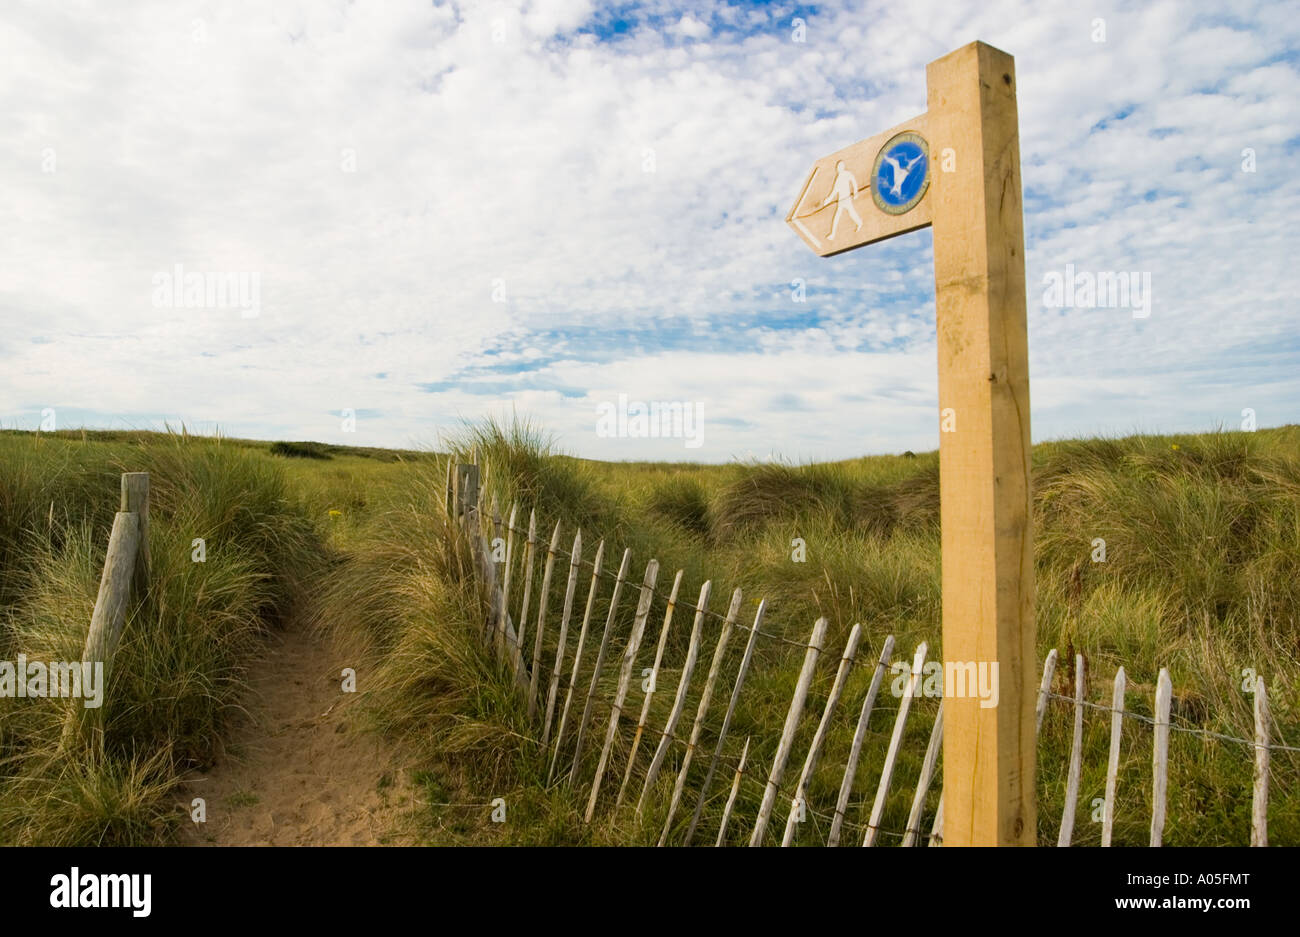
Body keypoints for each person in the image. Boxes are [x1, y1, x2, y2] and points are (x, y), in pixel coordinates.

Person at [821, 160, 863, 240]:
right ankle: (833, 234)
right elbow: (835, 190)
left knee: (851, 213)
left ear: (842, 167)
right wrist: (828, 200)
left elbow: (853, 181)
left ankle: (859, 223)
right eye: (837, 167)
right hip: (841, 200)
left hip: (847, 199)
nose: (838, 168)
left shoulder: (847, 174)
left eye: (839, 166)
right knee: (838, 215)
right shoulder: (838, 178)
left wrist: (855, 192)